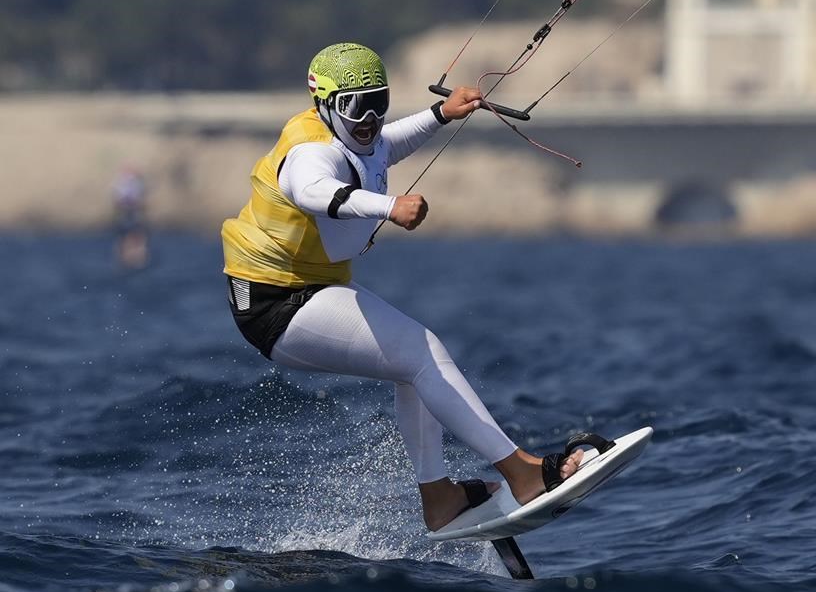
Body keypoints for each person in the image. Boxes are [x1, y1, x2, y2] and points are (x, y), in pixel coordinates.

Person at [221, 43, 586, 531]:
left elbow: (386, 145)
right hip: (275, 303)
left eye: (379, 100)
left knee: (411, 366)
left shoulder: (354, 135)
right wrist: (388, 206)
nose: (370, 117)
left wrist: (440, 113)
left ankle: (439, 499)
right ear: (325, 104)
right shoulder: (307, 149)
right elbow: (310, 189)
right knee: (420, 351)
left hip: (308, 290)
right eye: (356, 105)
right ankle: (521, 473)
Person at [112, 165, 149, 268]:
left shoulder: (137, 184)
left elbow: (142, 199)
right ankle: (126, 256)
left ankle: (138, 256)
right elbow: (116, 200)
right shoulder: (120, 184)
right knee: (125, 235)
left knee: (137, 234)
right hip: (126, 213)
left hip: (133, 213)